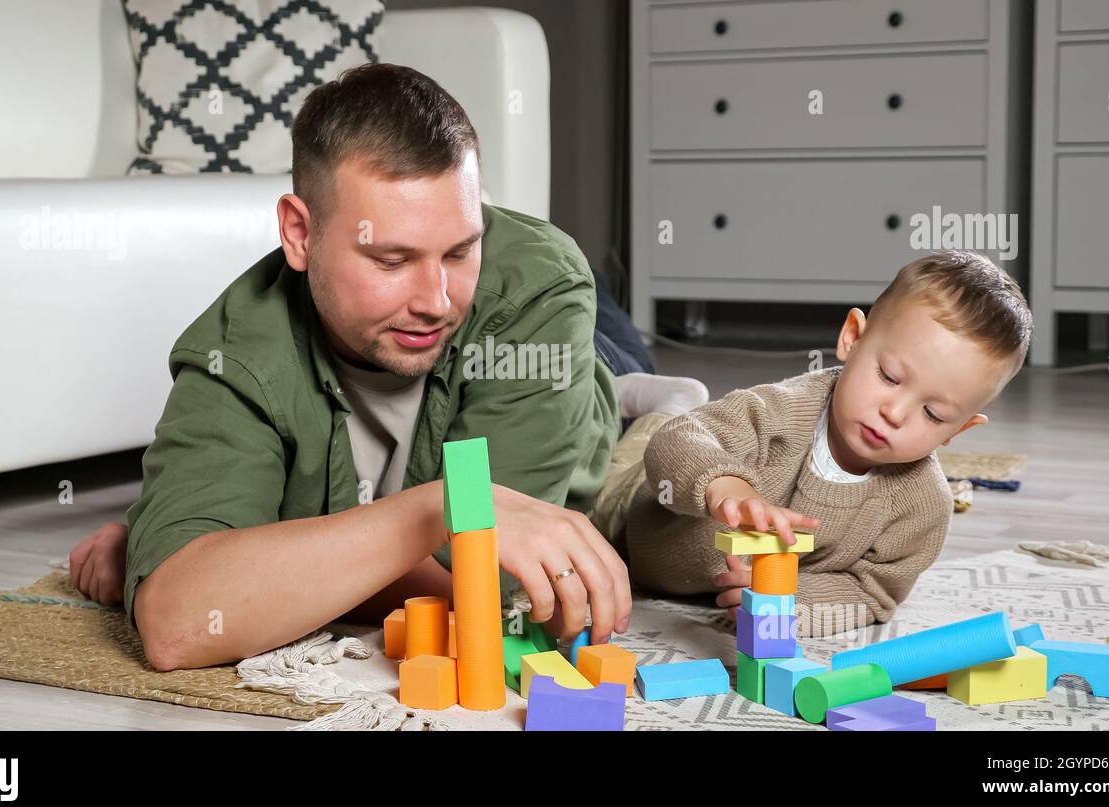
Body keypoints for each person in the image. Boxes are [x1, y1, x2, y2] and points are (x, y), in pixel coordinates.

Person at [69, 63, 706, 670]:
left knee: (622, 383)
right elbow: (178, 625)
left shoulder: (535, 289)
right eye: (391, 260)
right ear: (299, 233)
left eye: (460, 249)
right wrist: (437, 508)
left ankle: (638, 394)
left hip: (585, 366)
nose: (434, 300)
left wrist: (245, 552)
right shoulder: (232, 352)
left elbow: (500, 590)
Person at [620, 251, 1034, 636]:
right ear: (852, 339)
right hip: (624, 508)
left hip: (688, 579)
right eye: (889, 377)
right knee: (609, 444)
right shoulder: (778, 412)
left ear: (956, 431)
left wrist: (790, 601)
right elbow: (676, 442)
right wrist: (724, 484)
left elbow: (872, 592)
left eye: (933, 415)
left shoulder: (921, 508)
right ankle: (656, 395)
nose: (895, 413)